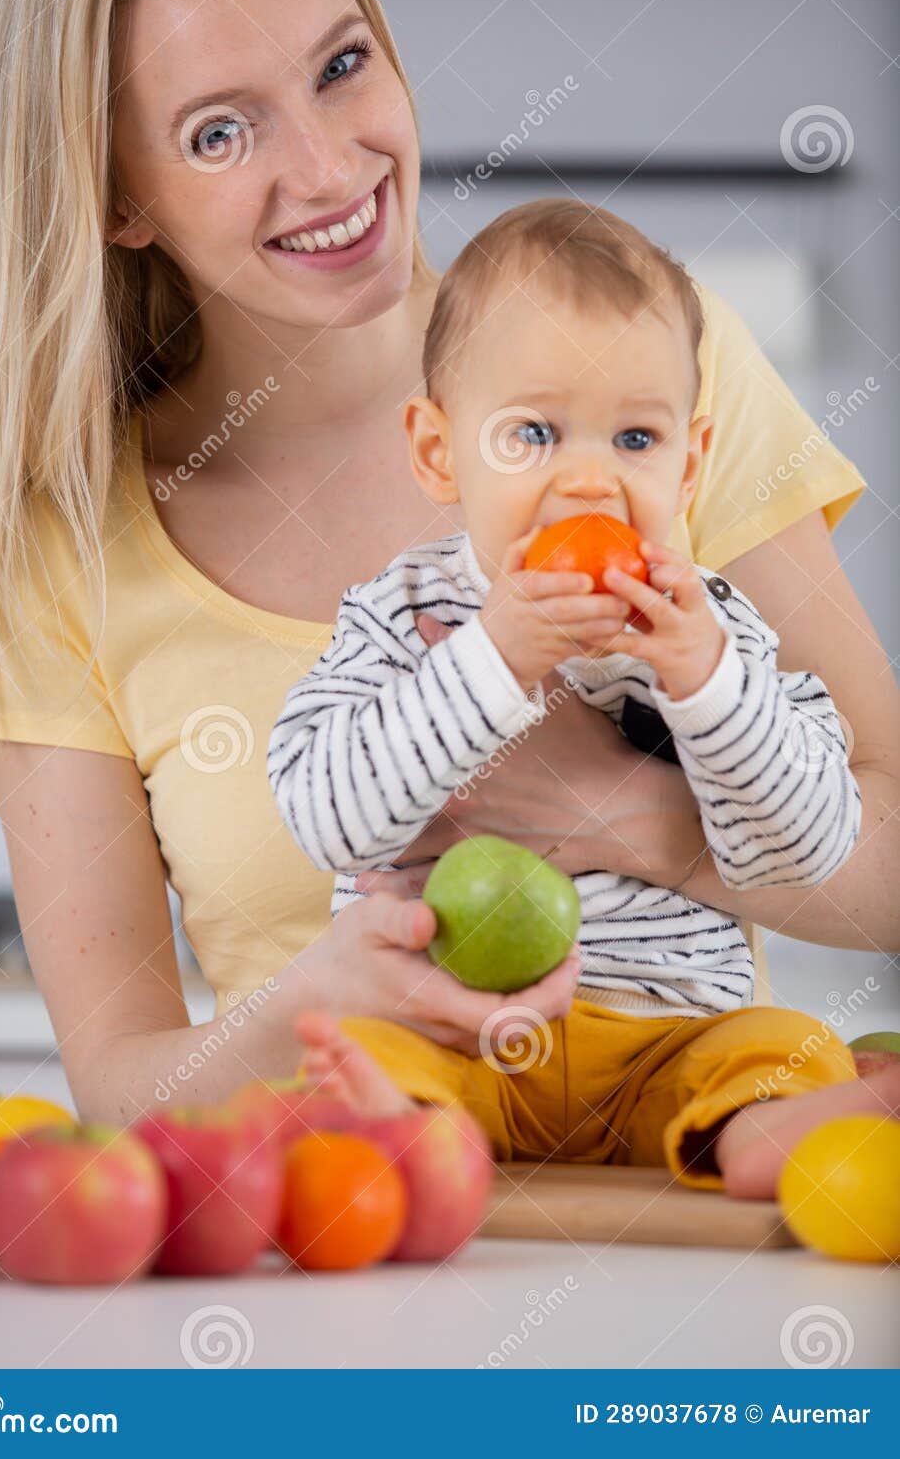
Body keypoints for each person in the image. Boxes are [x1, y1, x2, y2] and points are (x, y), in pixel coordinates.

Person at [0, 0, 896, 1123]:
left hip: (685, 1224)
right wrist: (316, 995)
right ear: (117, 199)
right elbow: (124, 1087)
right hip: (356, 1242)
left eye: (340, 66)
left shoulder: (648, 376)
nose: (325, 169)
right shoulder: (58, 540)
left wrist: (615, 814)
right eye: (216, 131)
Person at [267, 198, 888, 1198]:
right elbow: (323, 815)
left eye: (635, 439)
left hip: (668, 1036)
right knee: (368, 1057)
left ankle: (768, 1133)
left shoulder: (719, 635)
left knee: (779, 1045)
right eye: (536, 434)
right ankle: (406, 1134)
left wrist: (708, 686)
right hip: (457, 1024)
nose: (591, 480)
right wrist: (494, 656)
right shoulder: (402, 619)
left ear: (688, 467)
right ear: (438, 453)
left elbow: (811, 845)